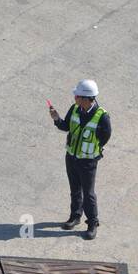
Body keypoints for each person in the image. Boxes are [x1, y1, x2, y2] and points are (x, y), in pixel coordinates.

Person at [48, 79, 111, 240]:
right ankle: (75, 216)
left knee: (88, 193)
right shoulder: (75, 109)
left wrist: (93, 150)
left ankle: (92, 223)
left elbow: (105, 136)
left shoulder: (102, 117)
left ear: (85, 98)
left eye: (77, 96)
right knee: (74, 189)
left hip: (88, 161)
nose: (74, 98)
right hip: (71, 157)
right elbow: (66, 126)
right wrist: (56, 119)